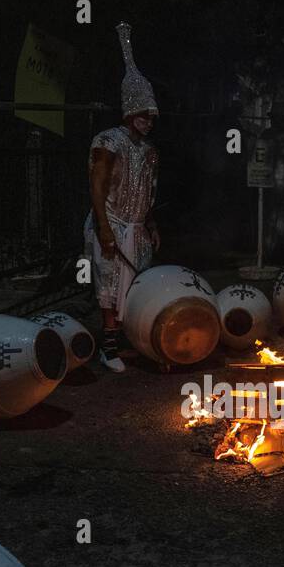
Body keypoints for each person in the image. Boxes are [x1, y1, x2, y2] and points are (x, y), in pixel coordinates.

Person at [86, 22, 160, 373]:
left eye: (152, 115)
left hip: (136, 226)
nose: (148, 120)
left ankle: (133, 339)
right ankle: (108, 347)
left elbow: (149, 190)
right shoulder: (108, 141)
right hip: (112, 222)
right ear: (130, 111)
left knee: (135, 285)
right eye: (143, 114)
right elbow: (98, 185)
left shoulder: (148, 150)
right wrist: (103, 227)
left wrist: (150, 221)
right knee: (110, 287)